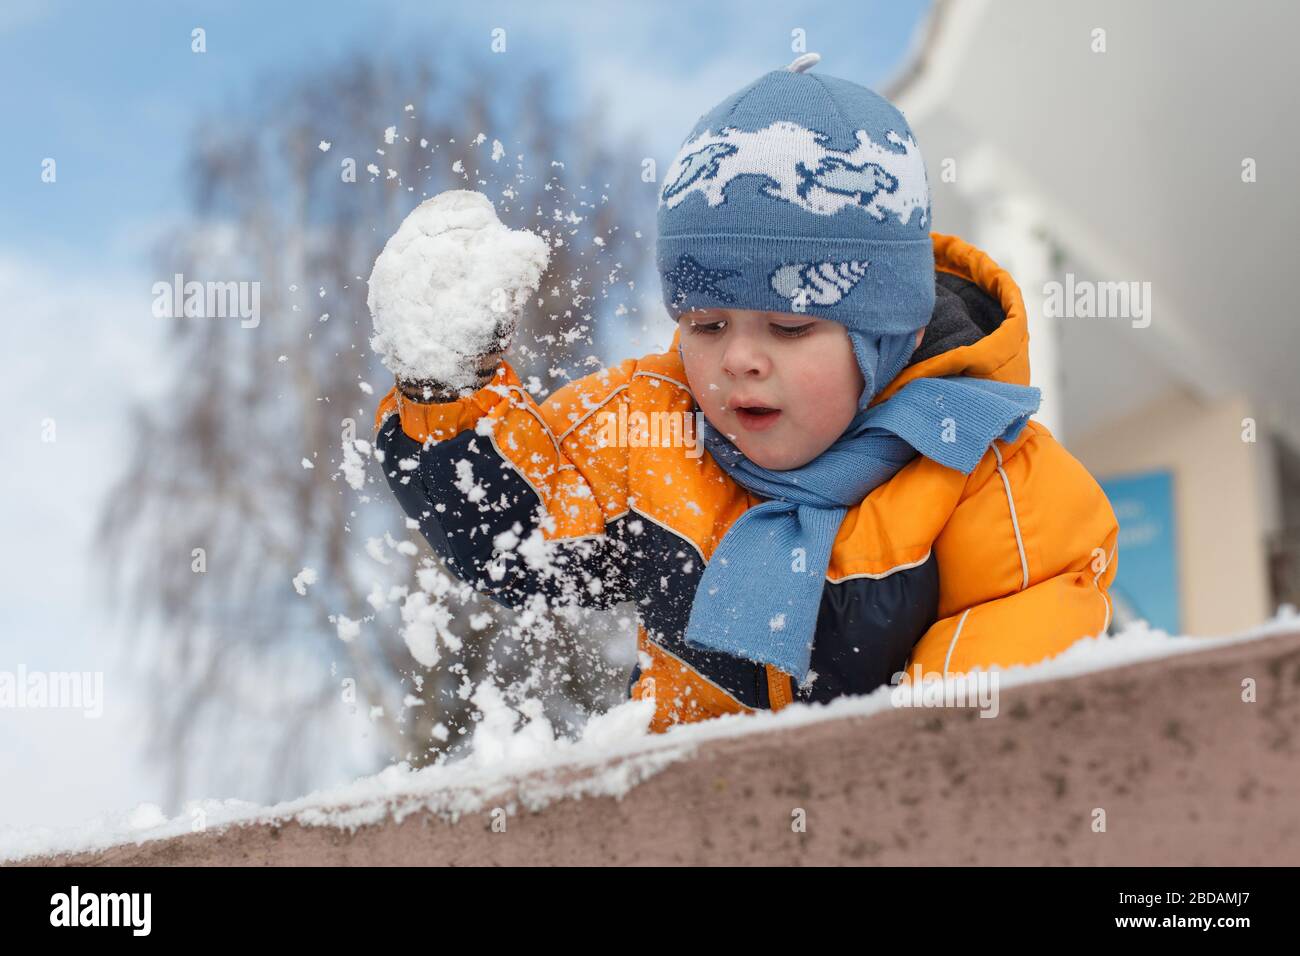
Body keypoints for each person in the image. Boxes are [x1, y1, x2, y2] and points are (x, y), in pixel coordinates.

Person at [373, 56, 1119, 733]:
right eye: (705, 323)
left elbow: (1009, 668)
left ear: (885, 334)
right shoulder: (656, 430)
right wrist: (444, 385)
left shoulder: (980, 471)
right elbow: (510, 536)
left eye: (790, 326)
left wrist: (899, 778)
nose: (737, 360)